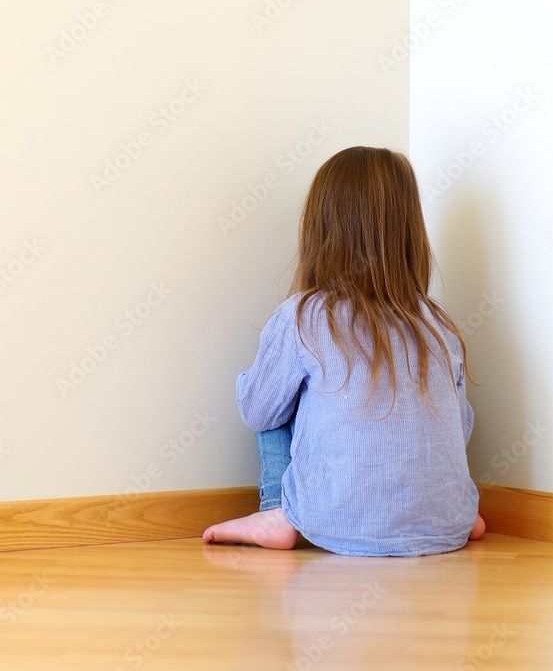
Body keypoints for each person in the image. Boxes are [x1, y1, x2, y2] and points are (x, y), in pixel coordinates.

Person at [203, 146, 486, 555]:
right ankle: (450, 509)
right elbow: (460, 428)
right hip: (449, 525)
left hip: (333, 519)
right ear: (409, 232)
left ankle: (277, 513)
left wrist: (253, 381)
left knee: (272, 401)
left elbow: (257, 411)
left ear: (320, 228)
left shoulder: (302, 315)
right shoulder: (438, 323)